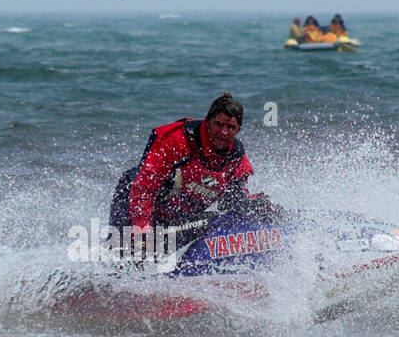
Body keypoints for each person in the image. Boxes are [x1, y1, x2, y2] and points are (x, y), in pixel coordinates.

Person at [108, 92, 280, 253]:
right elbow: (144, 188)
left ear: (238, 130)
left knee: (221, 220)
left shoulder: (237, 162)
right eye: (219, 124)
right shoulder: (177, 141)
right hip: (134, 202)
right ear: (207, 122)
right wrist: (142, 232)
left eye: (230, 127)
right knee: (127, 257)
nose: (223, 132)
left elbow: (233, 203)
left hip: (174, 221)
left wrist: (261, 207)